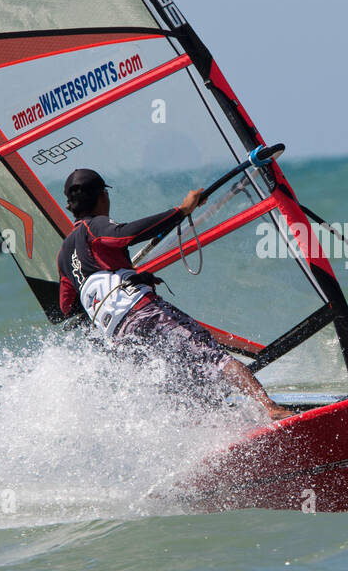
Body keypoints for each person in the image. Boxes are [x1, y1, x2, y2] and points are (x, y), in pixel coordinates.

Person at [56, 168, 294, 421]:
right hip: (142, 311)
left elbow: (66, 307)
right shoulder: (96, 226)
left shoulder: (62, 256)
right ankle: (270, 408)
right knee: (214, 358)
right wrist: (182, 210)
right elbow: (127, 234)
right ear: (103, 196)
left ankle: (216, 435)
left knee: (183, 386)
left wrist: (118, 275)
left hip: (120, 336)